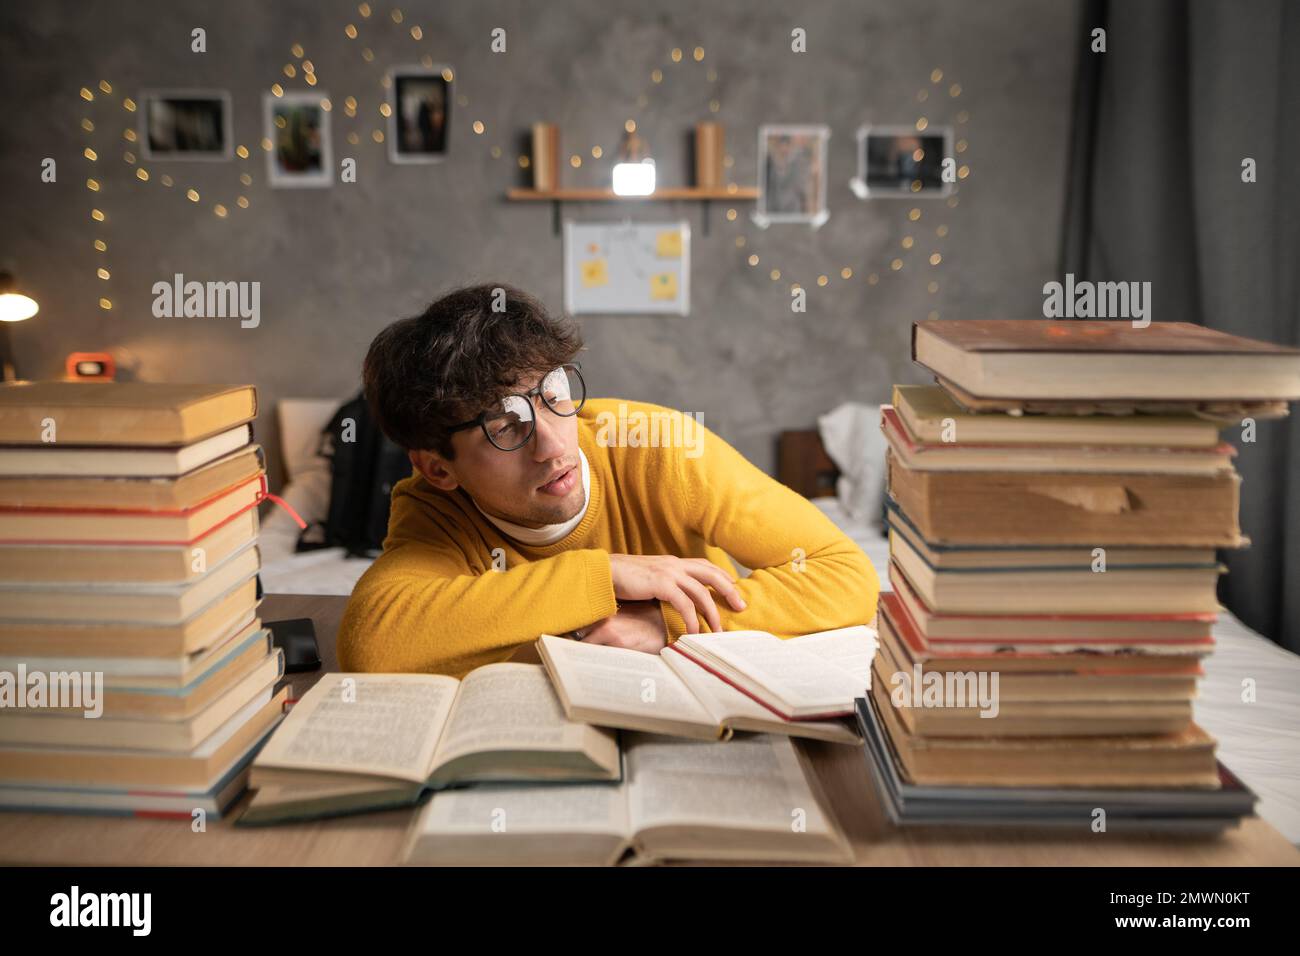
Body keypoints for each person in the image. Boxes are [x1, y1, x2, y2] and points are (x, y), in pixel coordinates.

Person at [337, 283, 880, 677]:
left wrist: (662, 621)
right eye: (505, 426)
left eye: (553, 395)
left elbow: (846, 576)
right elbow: (372, 641)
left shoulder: (660, 446)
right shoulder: (433, 506)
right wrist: (605, 577)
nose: (553, 446)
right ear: (438, 468)